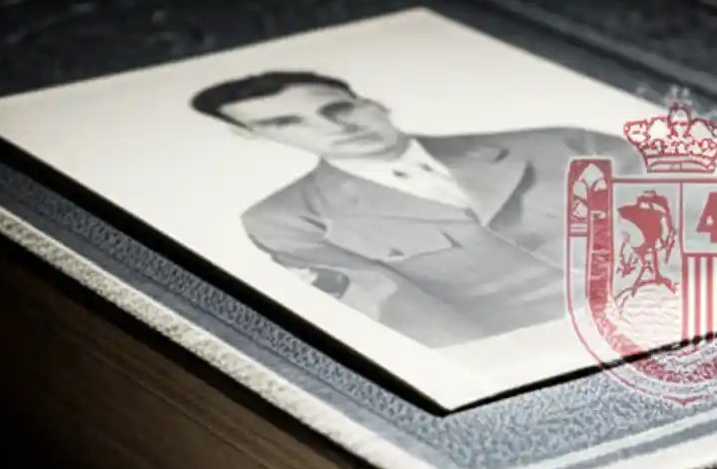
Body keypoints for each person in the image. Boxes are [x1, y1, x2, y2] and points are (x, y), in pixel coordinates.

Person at [190, 71, 643, 348]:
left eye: (339, 108)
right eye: (286, 123)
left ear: (372, 104)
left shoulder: (562, 141)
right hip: (557, 353)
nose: (335, 128)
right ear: (255, 136)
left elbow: (702, 224)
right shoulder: (287, 219)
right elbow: (409, 316)